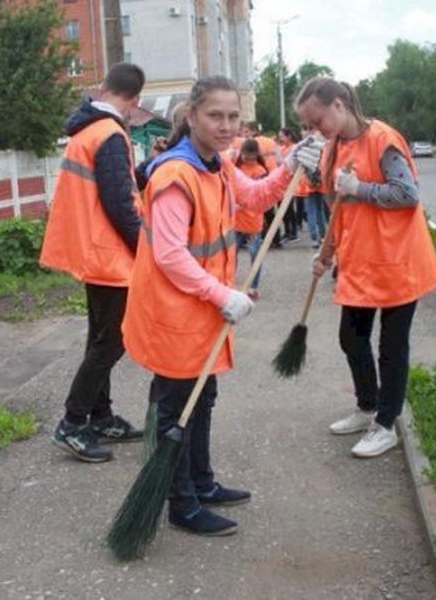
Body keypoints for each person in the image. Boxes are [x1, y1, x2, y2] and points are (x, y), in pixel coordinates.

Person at [122, 75, 322, 536]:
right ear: (192, 116)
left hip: (199, 312)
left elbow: (257, 197)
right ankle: (182, 504)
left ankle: (202, 482)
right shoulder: (176, 176)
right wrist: (222, 293)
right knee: (177, 410)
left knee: (203, 398)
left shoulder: (217, 165)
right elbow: (171, 254)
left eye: (233, 116)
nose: (227, 125)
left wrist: (290, 166)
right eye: (216, 115)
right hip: (175, 314)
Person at [295, 77, 436, 458]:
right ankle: (367, 406)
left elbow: (408, 195)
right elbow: (337, 210)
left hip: (398, 262)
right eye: (309, 125)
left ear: (340, 105)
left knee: (392, 347)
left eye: (318, 121)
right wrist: (325, 253)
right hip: (360, 263)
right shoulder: (332, 149)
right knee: (351, 338)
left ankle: (386, 423)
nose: (316, 130)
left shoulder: (382, 139)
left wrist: (360, 188)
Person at [40, 62, 146, 463]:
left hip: (94, 251)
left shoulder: (89, 130)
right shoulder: (111, 135)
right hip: (109, 257)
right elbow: (121, 205)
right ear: (135, 102)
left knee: (100, 338)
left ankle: (99, 416)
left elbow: (121, 188)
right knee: (111, 341)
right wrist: (146, 250)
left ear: (104, 88)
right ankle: (72, 422)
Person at [233, 138, 270, 301]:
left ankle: (253, 287)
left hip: (253, 218)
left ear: (257, 155)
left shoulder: (260, 170)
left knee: (255, 254)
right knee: (230, 253)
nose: (248, 159)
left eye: (251, 156)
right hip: (236, 218)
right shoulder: (237, 167)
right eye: (245, 156)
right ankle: (229, 283)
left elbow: (258, 195)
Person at [297, 124, 329, 249]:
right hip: (320, 181)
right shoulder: (323, 143)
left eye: (310, 129)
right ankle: (322, 235)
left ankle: (316, 237)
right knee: (319, 209)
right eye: (305, 128)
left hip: (310, 182)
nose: (307, 131)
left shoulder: (304, 145)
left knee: (312, 210)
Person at [278, 127, 304, 243]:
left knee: (289, 208)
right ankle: (287, 231)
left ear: (289, 136)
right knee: (282, 208)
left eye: (282, 136)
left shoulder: (294, 148)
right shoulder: (282, 149)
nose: (281, 138)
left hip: (291, 181)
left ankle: (293, 232)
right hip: (282, 182)